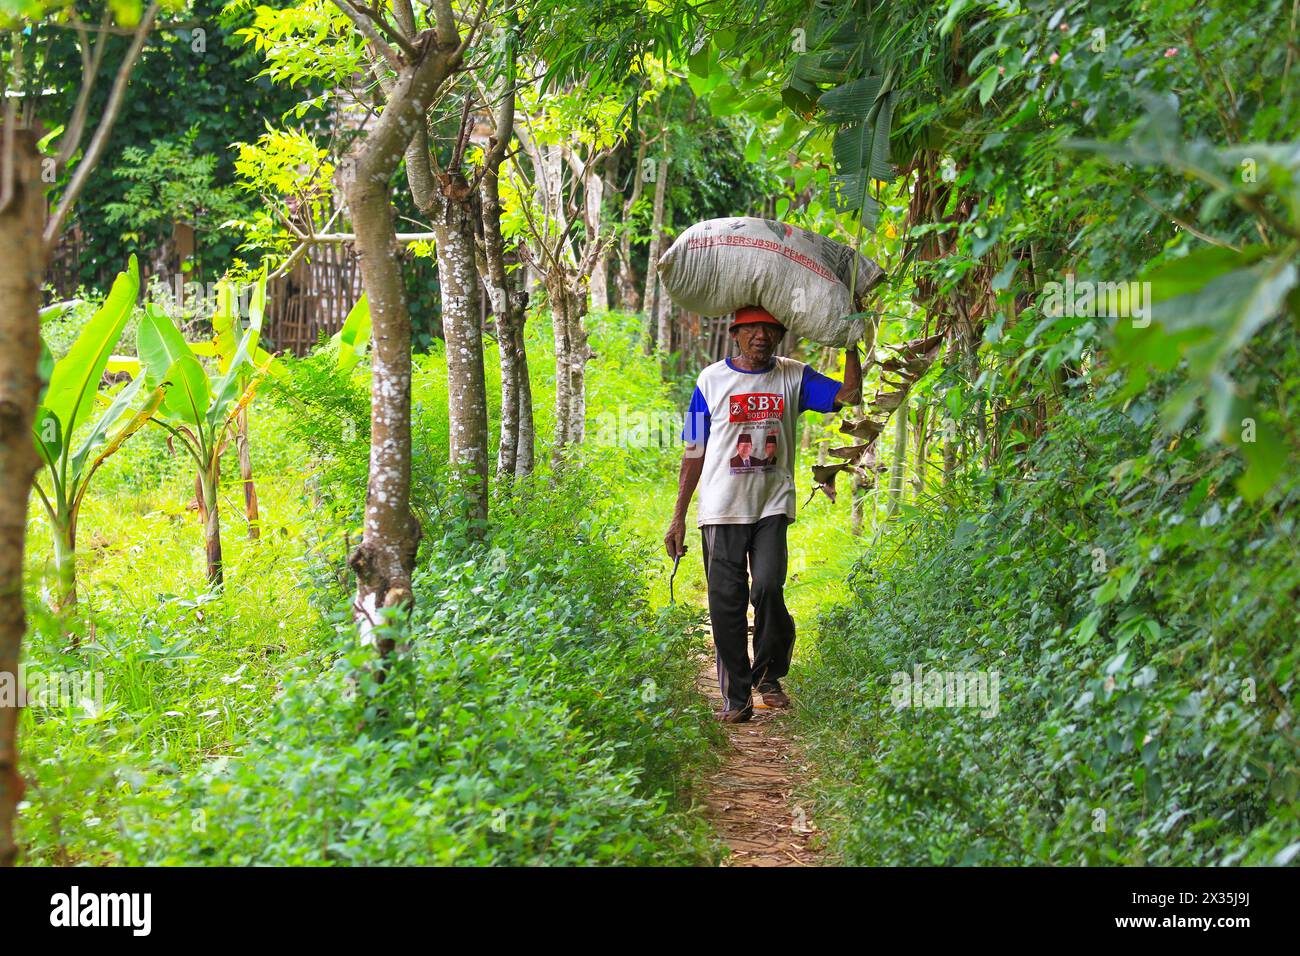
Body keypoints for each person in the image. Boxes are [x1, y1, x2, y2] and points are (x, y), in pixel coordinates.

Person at [665, 305, 861, 722]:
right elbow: (693, 449)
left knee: (769, 587)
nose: (761, 337)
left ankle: (768, 675)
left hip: (772, 504)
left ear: (780, 336)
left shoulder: (794, 374)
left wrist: (849, 344)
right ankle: (737, 699)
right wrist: (678, 515)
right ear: (735, 334)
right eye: (751, 329)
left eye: (770, 330)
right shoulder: (711, 380)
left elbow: (849, 396)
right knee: (725, 604)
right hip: (721, 508)